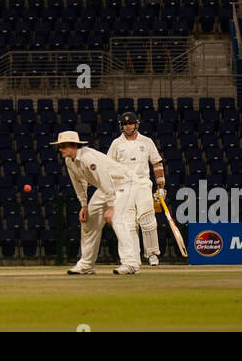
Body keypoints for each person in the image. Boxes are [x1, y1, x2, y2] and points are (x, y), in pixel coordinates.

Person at [53, 130, 139, 275]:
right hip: (106, 187)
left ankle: (131, 264)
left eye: (63, 146)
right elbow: (79, 184)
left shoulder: (88, 158)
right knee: (89, 221)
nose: (60, 149)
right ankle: (86, 265)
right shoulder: (69, 161)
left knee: (117, 219)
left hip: (125, 182)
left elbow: (105, 178)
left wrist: (111, 207)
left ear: (73, 145)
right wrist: (84, 205)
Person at [106, 111, 166, 267]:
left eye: (130, 123)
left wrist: (161, 187)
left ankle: (152, 254)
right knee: (128, 224)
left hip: (142, 184)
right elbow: (108, 167)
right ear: (121, 126)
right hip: (124, 187)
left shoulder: (146, 141)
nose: (128, 126)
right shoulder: (116, 144)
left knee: (147, 219)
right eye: (125, 124)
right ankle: (133, 257)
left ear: (136, 124)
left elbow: (157, 163)